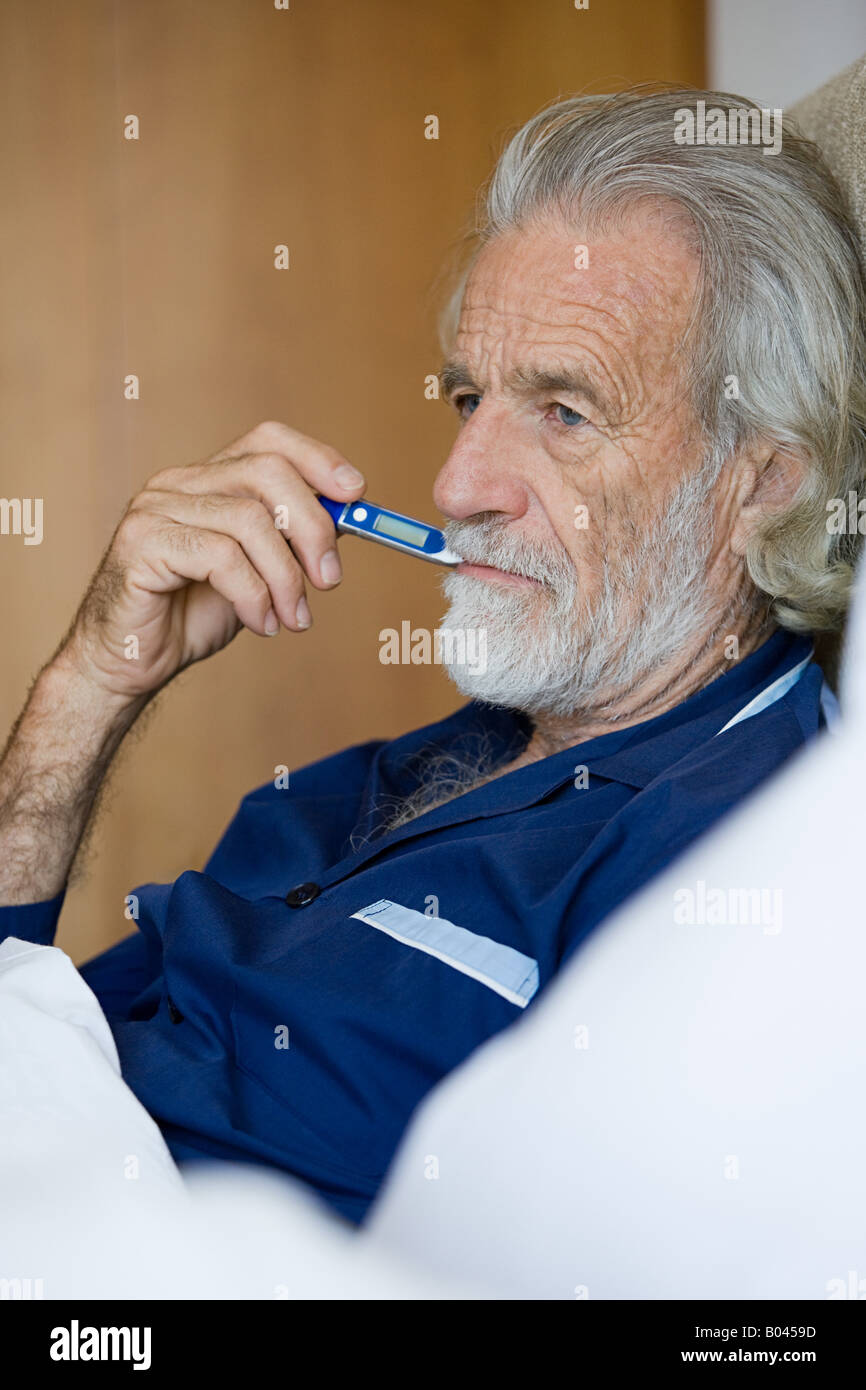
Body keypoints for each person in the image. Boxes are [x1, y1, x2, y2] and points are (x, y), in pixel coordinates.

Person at [1, 88, 863, 1225]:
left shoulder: (745, 874)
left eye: (563, 411)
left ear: (760, 483)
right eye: (468, 396)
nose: (456, 487)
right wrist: (92, 683)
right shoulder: (367, 785)